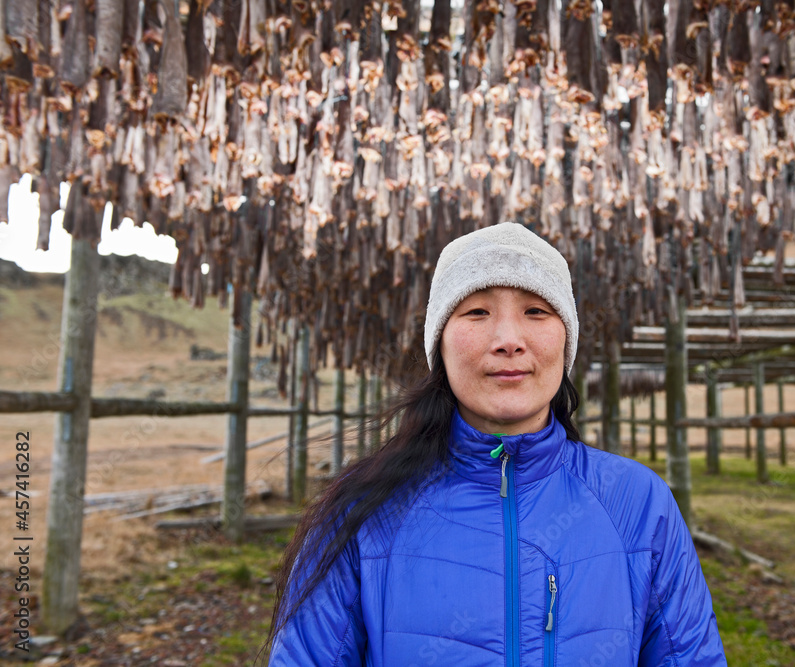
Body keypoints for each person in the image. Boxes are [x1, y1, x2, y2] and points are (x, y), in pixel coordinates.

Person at [266, 222, 726, 666]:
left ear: (566, 339)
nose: (508, 340)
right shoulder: (361, 512)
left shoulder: (639, 504)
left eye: (536, 312)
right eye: (477, 312)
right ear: (439, 344)